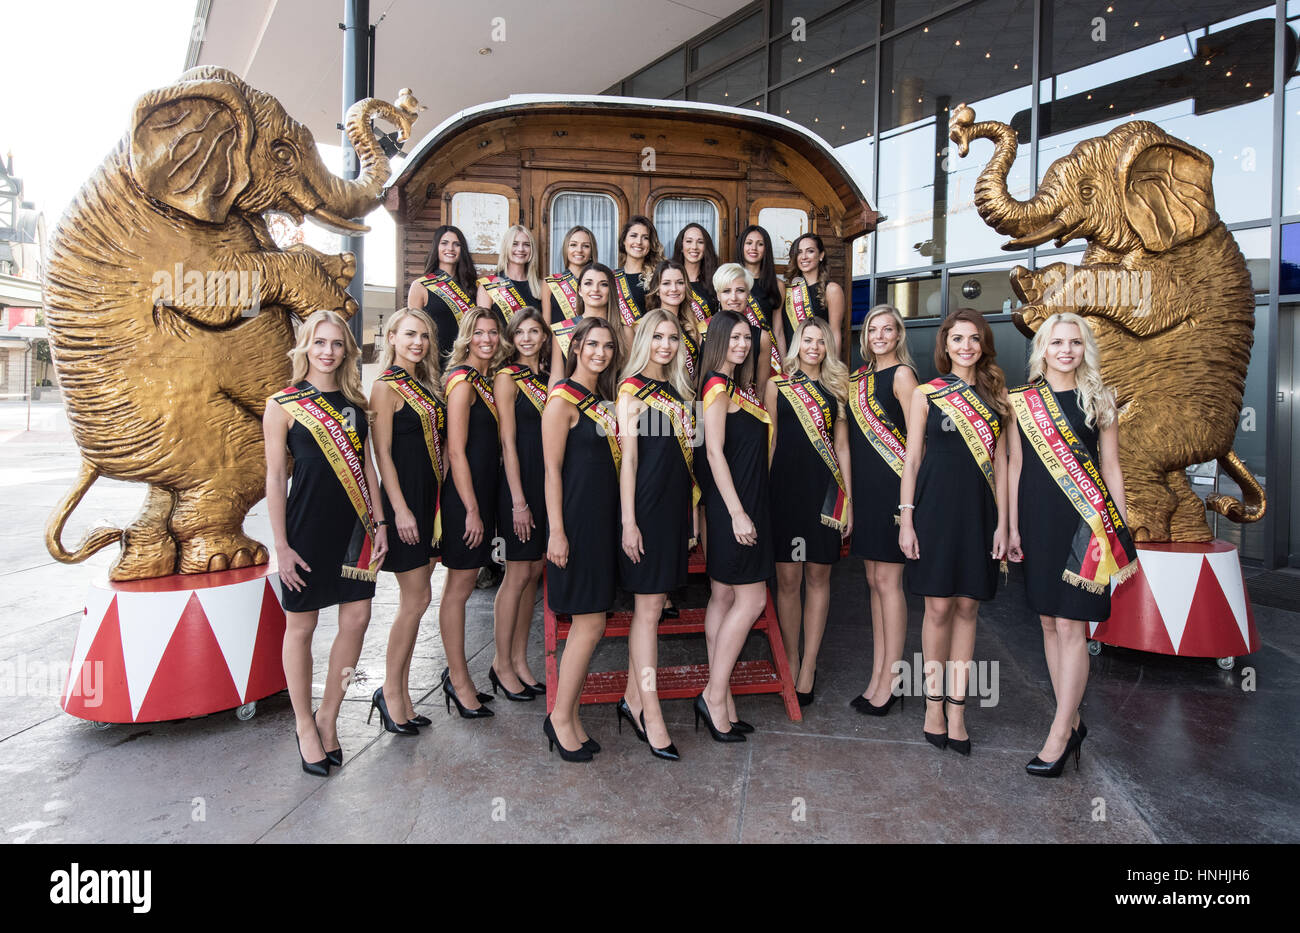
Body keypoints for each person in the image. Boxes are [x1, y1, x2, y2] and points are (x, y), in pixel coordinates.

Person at [1007, 312, 1137, 777]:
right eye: (1057, 342)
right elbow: (1016, 466)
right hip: (1038, 521)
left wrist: (1117, 526)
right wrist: (1012, 526)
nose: (1065, 350)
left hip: (1086, 527)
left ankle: (1059, 734)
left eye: (1075, 343)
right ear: (1041, 348)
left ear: (1086, 349)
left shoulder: (1100, 397)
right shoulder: (1020, 401)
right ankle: (1073, 718)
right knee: (1047, 621)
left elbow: (1112, 466)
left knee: (1070, 625)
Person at [264, 310, 387, 775]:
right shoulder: (283, 404)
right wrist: (281, 545)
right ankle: (302, 723)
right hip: (306, 529)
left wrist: (380, 525)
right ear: (305, 347)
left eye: (337, 344)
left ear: (347, 351)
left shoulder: (356, 401)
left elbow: (369, 468)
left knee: (357, 618)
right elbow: (276, 478)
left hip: (355, 528)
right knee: (301, 626)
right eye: (320, 343)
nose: (328, 351)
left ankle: (329, 717)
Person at [898, 308, 1010, 756]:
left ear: (984, 345)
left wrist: (1005, 522)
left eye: (974, 338)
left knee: (968, 608)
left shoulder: (998, 395)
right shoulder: (926, 394)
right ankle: (932, 706)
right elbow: (911, 459)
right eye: (957, 338)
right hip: (935, 510)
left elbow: (1002, 463)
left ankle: (958, 710)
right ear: (944, 345)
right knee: (938, 609)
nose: (965, 346)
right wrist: (906, 518)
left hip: (980, 513)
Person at [616, 310, 697, 762]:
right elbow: (628, 462)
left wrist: (691, 521)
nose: (665, 345)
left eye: (671, 338)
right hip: (644, 512)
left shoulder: (680, 392)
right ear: (644, 340)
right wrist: (629, 522)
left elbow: (684, 463)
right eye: (657, 337)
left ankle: (631, 698)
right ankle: (652, 711)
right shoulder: (630, 392)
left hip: (672, 513)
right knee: (647, 613)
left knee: (650, 610)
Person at [543, 316, 622, 762]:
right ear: (575, 347)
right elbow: (551, 470)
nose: (600, 353)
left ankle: (568, 716)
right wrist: (556, 530)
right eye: (592, 344)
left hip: (601, 522)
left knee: (593, 625)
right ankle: (559, 718)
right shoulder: (562, 400)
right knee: (588, 623)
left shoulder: (602, 399)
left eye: (608, 346)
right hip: (574, 524)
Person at [766, 316, 853, 707]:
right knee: (787, 580)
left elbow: (843, 446)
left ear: (828, 347)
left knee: (818, 577)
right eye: (807, 339)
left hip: (823, 494)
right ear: (796, 344)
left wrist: (847, 499)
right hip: (784, 491)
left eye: (820, 341)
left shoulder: (837, 388)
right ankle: (791, 657)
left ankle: (809, 665)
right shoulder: (776, 386)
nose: (813, 347)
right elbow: (770, 441)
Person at [696, 310, 772, 743]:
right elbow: (714, 453)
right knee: (753, 599)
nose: (743, 345)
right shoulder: (716, 386)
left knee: (723, 596)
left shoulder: (736, 387)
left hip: (744, 503)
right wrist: (738, 513)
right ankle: (713, 694)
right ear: (719, 339)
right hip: (735, 508)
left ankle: (722, 699)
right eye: (736, 337)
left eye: (747, 338)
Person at [369, 307, 445, 737]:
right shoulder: (385, 386)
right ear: (393, 337)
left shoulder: (424, 384)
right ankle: (390, 692)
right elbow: (382, 455)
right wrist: (398, 510)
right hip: (407, 504)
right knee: (415, 601)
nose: (418, 342)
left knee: (417, 601)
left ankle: (400, 691)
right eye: (410, 334)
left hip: (428, 500)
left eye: (424, 336)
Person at [848, 305, 918, 716]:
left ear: (898, 335)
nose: (879, 335)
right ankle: (877, 675)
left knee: (890, 583)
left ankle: (893, 681)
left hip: (893, 491)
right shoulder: (859, 378)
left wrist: (909, 502)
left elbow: (916, 443)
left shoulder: (904, 375)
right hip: (867, 491)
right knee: (874, 581)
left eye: (887, 329)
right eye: (873, 329)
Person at [439, 307, 509, 719]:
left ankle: (462, 677)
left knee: (462, 586)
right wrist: (470, 510)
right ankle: (458, 679)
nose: (486, 339)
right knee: (459, 589)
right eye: (479, 332)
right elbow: (455, 450)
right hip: (465, 499)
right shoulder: (463, 382)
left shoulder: (483, 380)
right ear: (467, 336)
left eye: (493, 332)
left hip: (481, 494)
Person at [489, 307, 551, 701]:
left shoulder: (548, 381)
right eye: (520, 332)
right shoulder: (506, 378)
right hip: (518, 486)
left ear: (544, 336)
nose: (527, 338)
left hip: (547, 485)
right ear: (511, 338)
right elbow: (507, 442)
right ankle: (500, 663)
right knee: (515, 575)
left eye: (534, 331)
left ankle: (520, 659)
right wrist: (518, 501)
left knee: (533, 572)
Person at [407, 224, 477, 364]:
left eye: (456, 244)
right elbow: (412, 330)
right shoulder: (421, 286)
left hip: (464, 363)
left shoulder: (473, 287)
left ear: (462, 250)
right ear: (436, 248)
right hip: (432, 363)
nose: (450, 248)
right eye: (444, 243)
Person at [548, 262, 625, 386]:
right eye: (588, 283)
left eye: (603, 284)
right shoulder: (563, 329)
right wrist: (552, 404)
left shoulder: (624, 331)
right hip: (572, 401)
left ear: (611, 290)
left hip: (611, 402)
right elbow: (556, 376)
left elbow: (628, 379)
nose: (595, 289)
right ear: (579, 290)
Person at [714, 263, 778, 394]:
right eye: (726, 291)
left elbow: (761, 390)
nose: (734, 297)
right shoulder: (702, 331)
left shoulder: (762, 338)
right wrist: (699, 415)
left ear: (748, 295)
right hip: (708, 409)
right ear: (718, 295)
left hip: (747, 410)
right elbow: (696, 382)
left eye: (740, 291)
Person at [782, 233, 845, 358]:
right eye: (799, 252)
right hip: (792, 362)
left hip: (817, 360)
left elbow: (835, 333)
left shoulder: (831, 290)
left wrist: (833, 367)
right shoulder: (787, 290)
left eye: (810, 251)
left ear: (821, 255)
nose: (804, 257)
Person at [647, 259, 704, 382]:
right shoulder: (645, 325)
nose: (674, 289)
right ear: (657, 289)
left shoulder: (694, 324)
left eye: (679, 283)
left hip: (688, 398)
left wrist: (695, 401)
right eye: (666, 283)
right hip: (658, 397)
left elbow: (699, 372)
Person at [476, 224, 543, 324]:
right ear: (506, 247)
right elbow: (483, 327)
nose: (521, 249)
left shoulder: (540, 286)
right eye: (515, 244)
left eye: (526, 244)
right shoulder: (489, 286)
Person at [612, 215, 662, 327]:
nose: (639, 242)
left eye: (645, 238)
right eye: (633, 236)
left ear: (650, 244)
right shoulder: (611, 277)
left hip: (648, 341)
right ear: (624, 240)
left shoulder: (657, 277)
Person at [543, 224, 595, 327]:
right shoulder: (550, 282)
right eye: (573, 245)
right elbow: (546, 325)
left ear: (592, 252)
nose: (579, 250)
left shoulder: (598, 282)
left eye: (586, 246)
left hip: (591, 340)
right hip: (559, 342)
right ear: (566, 249)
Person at [737, 224, 786, 324]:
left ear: (766, 249)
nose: (753, 248)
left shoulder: (778, 285)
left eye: (760, 244)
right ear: (741, 246)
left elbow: (778, 330)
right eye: (749, 243)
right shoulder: (731, 280)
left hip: (767, 339)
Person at [672, 222, 719, 320]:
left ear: (706, 247)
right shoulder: (670, 279)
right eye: (689, 241)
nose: (694, 247)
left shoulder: (716, 280)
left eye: (700, 242)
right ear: (681, 246)